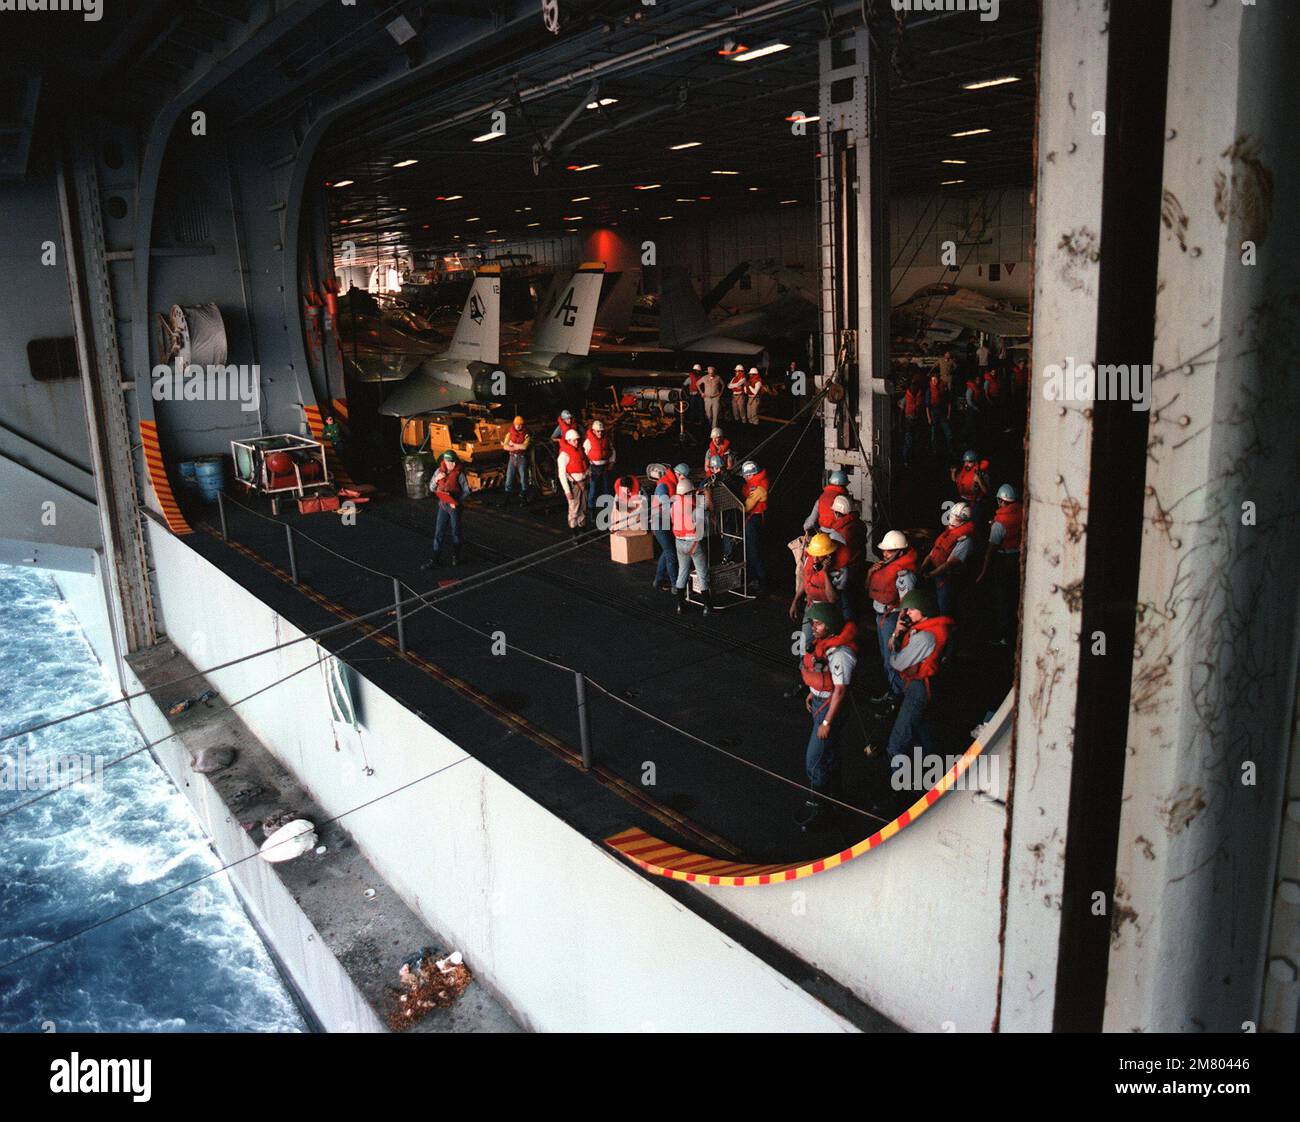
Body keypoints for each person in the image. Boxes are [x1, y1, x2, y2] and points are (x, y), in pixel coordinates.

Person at [795, 601, 858, 831]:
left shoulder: (841, 654)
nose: (814, 627)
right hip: (820, 700)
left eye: (819, 623)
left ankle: (819, 807)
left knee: (814, 760)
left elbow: (840, 690)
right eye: (812, 623)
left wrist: (826, 722)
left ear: (830, 626)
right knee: (829, 754)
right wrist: (813, 692)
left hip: (830, 708)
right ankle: (836, 798)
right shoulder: (821, 643)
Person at [880, 588, 954, 770]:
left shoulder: (925, 637)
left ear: (924, 610)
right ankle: (932, 771)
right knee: (921, 730)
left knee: (896, 743)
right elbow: (893, 644)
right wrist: (898, 632)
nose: (906, 613)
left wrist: (896, 647)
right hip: (916, 685)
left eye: (911, 610)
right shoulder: (918, 630)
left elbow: (896, 663)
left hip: (919, 689)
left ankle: (900, 784)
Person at [865, 529, 919, 711]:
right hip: (881, 616)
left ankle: (897, 697)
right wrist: (870, 573)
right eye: (884, 550)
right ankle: (894, 692)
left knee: (892, 658)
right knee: (885, 656)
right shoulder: (885, 566)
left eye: (889, 550)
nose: (885, 553)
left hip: (892, 618)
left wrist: (897, 632)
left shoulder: (905, 575)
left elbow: (907, 605)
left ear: (900, 552)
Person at [978, 483, 1023, 645]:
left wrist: (983, 571)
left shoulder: (999, 523)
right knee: (1015, 595)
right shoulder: (1023, 512)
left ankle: (1005, 636)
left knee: (1003, 598)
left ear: (1001, 501)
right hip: (1019, 559)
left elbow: (991, 549)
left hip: (1004, 561)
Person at [922, 501, 976, 617]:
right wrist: (923, 567)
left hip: (948, 579)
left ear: (963, 521)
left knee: (945, 609)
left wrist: (931, 574)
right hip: (936, 574)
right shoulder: (949, 533)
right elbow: (933, 552)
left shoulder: (965, 541)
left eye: (956, 519)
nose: (952, 521)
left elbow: (950, 564)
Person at [790, 532, 840, 656]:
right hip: (811, 607)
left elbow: (832, 598)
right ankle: (805, 667)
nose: (815, 559)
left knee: (826, 649)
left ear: (828, 555)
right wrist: (795, 601)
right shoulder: (810, 559)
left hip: (826, 612)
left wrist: (825, 573)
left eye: (819, 556)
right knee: (805, 645)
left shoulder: (839, 571)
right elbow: (805, 581)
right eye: (814, 555)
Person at [671, 477, 711, 614]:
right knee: (702, 573)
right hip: (693, 543)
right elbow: (709, 507)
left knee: (682, 572)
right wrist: (707, 493)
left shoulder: (673, 506)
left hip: (679, 542)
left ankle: (680, 606)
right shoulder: (695, 507)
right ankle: (707, 607)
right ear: (689, 493)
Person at [825, 493, 866, 624]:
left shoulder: (839, 533)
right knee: (853, 600)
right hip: (858, 566)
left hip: (844, 571)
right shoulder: (860, 525)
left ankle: (845, 629)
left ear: (837, 513)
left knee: (845, 602)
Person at [425, 450, 469, 568]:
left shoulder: (459, 474)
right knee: (439, 532)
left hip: (455, 507)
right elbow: (431, 488)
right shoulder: (439, 471)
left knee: (456, 532)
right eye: (450, 463)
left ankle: (456, 557)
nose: (452, 465)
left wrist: (457, 502)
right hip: (443, 505)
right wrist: (436, 479)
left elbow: (466, 491)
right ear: (445, 461)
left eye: (454, 462)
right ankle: (435, 559)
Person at [648, 463, 680, 590]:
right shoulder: (663, 483)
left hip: (665, 520)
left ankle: (659, 579)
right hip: (659, 521)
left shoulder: (672, 482)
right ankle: (675, 585)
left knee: (667, 551)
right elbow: (664, 501)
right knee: (671, 553)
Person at [739, 459, 768, 593]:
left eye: (745, 475)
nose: (744, 478)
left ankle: (762, 582)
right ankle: (756, 579)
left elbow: (746, 507)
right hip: (752, 519)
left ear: (751, 475)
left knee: (753, 552)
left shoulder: (758, 489)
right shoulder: (753, 484)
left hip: (754, 519)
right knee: (751, 551)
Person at [556, 428, 589, 537]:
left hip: (583, 483)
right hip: (574, 485)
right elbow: (562, 474)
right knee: (574, 509)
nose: (576, 442)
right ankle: (574, 532)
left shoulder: (579, 451)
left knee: (583, 507)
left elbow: (584, 466)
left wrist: (588, 474)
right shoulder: (564, 455)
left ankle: (582, 528)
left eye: (577, 440)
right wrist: (567, 491)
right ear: (568, 441)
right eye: (574, 440)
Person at [583, 419, 615, 522]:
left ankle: (606, 513)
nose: (600, 433)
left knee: (607, 490)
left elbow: (612, 450)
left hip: (604, 468)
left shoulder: (607, 439)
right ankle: (592, 512)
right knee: (593, 491)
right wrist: (587, 469)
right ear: (593, 431)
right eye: (598, 431)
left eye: (601, 431)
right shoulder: (588, 442)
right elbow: (584, 455)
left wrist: (612, 462)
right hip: (594, 469)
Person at [803, 469, 849, 536]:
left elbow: (811, 521)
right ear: (845, 485)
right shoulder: (843, 500)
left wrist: (805, 526)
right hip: (839, 533)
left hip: (823, 535)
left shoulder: (821, 498)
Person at [501, 415, 531, 506]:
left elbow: (524, 447)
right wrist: (517, 447)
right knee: (508, 479)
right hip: (512, 458)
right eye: (517, 424)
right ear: (514, 424)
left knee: (523, 479)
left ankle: (524, 499)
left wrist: (512, 445)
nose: (518, 426)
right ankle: (507, 499)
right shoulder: (510, 434)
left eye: (520, 424)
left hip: (521, 458)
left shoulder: (526, 434)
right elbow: (505, 447)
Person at [900, 372, 925, 467]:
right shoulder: (906, 397)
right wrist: (901, 424)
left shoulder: (919, 396)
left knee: (915, 441)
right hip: (909, 422)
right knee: (909, 442)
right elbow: (902, 411)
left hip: (917, 421)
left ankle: (912, 458)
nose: (913, 389)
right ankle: (905, 459)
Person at [926, 372, 952, 458]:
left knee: (948, 433)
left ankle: (950, 449)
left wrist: (948, 414)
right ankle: (934, 451)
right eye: (932, 380)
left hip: (942, 412)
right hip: (934, 412)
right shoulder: (929, 391)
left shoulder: (943, 389)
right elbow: (927, 406)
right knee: (934, 433)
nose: (934, 381)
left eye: (935, 379)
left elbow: (948, 402)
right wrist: (929, 418)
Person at [700, 365, 724, 430]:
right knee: (708, 415)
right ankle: (710, 424)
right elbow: (697, 384)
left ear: (714, 372)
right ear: (708, 372)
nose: (711, 374)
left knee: (715, 415)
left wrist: (721, 393)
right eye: (709, 373)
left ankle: (714, 429)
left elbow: (723, 384)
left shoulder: (718, 378)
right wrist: (701, 393)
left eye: (712, 372)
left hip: (715, 398)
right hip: (707, 398)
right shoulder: (704, 378)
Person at [684, 363, 705, 430]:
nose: (698, 372)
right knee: (692, 409)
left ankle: (701, 421)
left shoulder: (701, 378)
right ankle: (691, 421)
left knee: (701, 408)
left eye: (699, 371)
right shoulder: (689, 378)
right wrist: (686, 395)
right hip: (692, 396)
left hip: (699, 395)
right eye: (697, 371)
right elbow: (684, 386)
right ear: (694, 371)